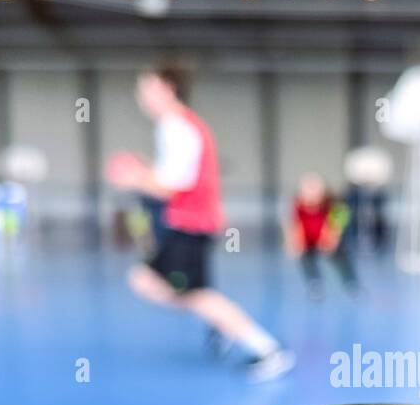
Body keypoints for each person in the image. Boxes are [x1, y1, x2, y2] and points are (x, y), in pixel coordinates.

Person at [106, 63, 294, 380]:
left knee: (191, 294)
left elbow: (170, 186)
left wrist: (134, 177)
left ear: (167, 88)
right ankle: (222, 325)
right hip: (186, 223)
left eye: (147, 86)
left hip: (189, 225)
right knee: (157, 283)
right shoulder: (173, 126)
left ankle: (268, 350)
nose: (141, 94)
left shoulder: (177, 128)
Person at [286, 172, 356, 299]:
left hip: (328, 236)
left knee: (341, 258)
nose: (310, 194)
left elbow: (338, 223)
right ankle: (314, 282)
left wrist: (331, 239)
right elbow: (295, 225)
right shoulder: (298, 205)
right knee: (305, 258)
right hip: (309, 239)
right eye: (307, 189)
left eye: (314, 189)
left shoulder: (333, 204)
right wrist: (294, 242)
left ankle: (351, 282)